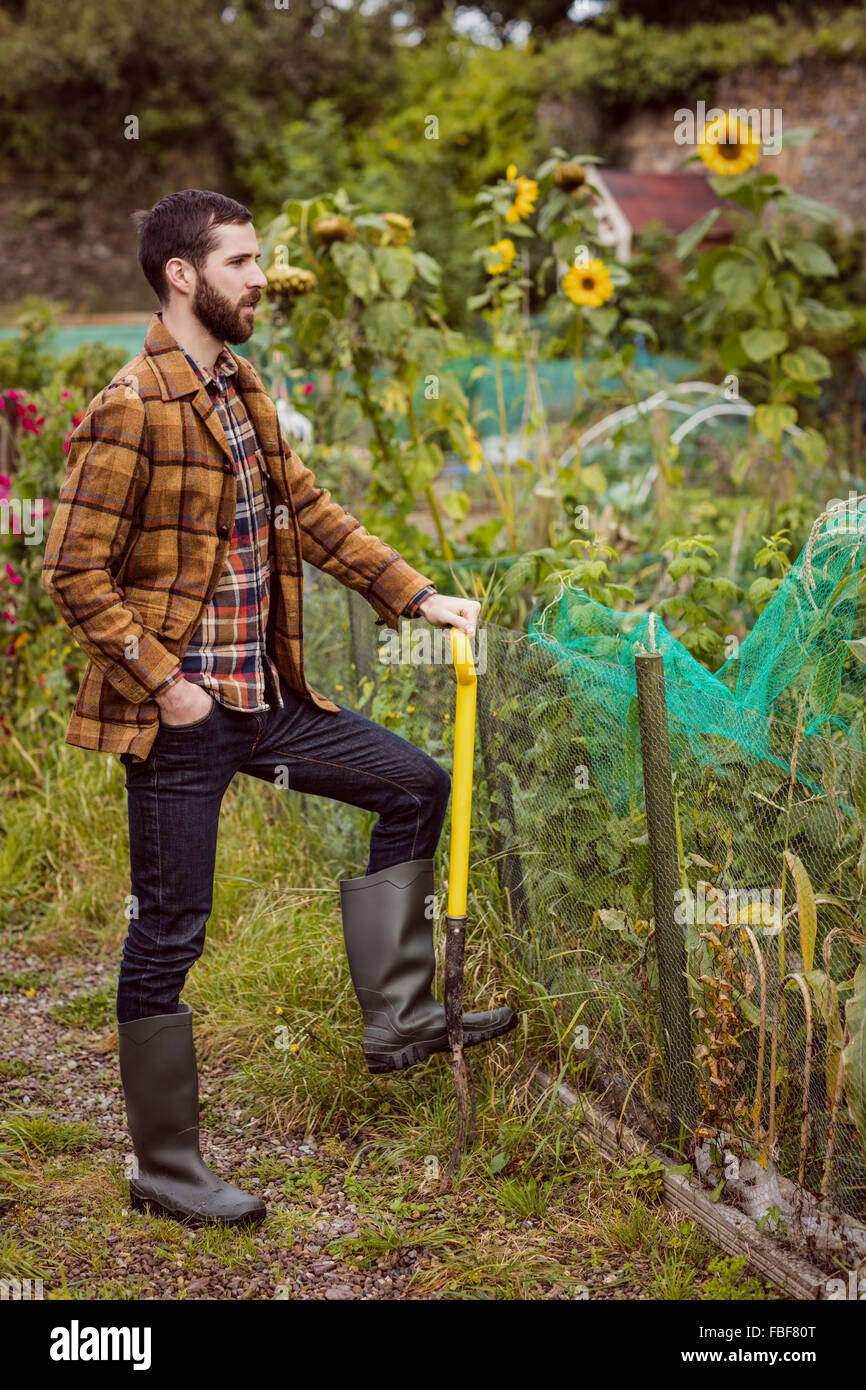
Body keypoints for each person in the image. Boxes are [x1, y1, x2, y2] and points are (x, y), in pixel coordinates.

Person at [41, 189, 517, 1229]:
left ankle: (395, 1018)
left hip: (270, 703)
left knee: (412, 783)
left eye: (259, 261)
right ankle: (165, 1166)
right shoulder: (133, 404)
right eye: (243, 261)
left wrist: (415, 594)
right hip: (184, 721)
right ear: (182, 273)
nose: (261, 279)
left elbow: (306, 510)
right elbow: (72, 571)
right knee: (169, 929)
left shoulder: (239, 387)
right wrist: (169, 688)